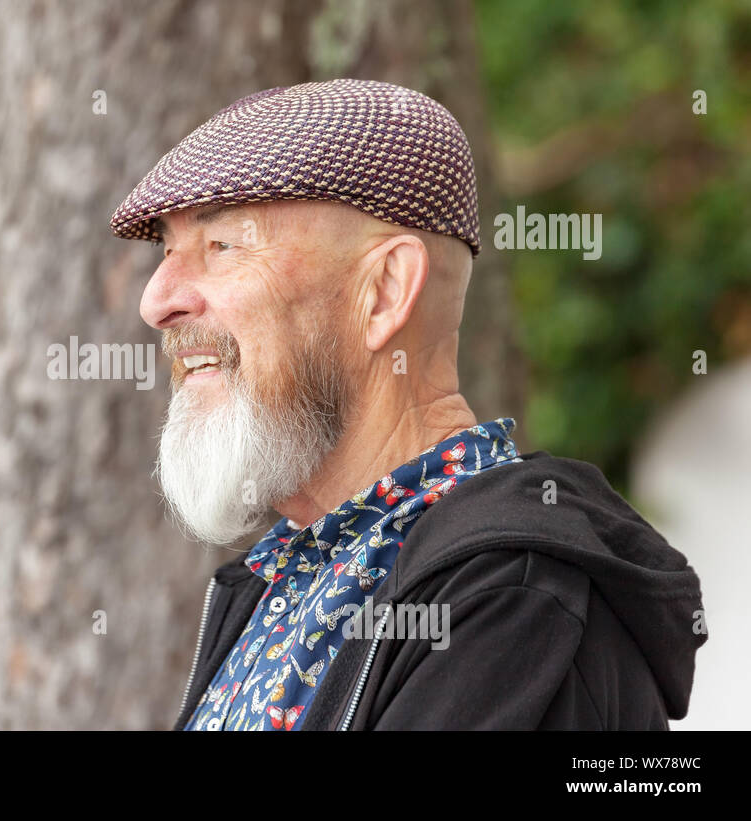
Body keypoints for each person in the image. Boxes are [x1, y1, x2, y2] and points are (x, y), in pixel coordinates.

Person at [108, 79, 707, 730]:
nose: (156, 299)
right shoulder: (283, 580)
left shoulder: (510, 603)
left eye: (221, 245)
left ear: (386, 291)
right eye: (167, 250)